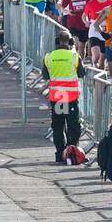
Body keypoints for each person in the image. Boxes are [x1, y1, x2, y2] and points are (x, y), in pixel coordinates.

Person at [42, 31, 83, 163]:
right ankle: (71, 152)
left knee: (58, 127)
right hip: (70, 97)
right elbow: (82, 73)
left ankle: (60, 153)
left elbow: (45, 76)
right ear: (70, 42)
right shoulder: (74, 57)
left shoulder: (49, 57)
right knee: (73, 126)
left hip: (57, 97)